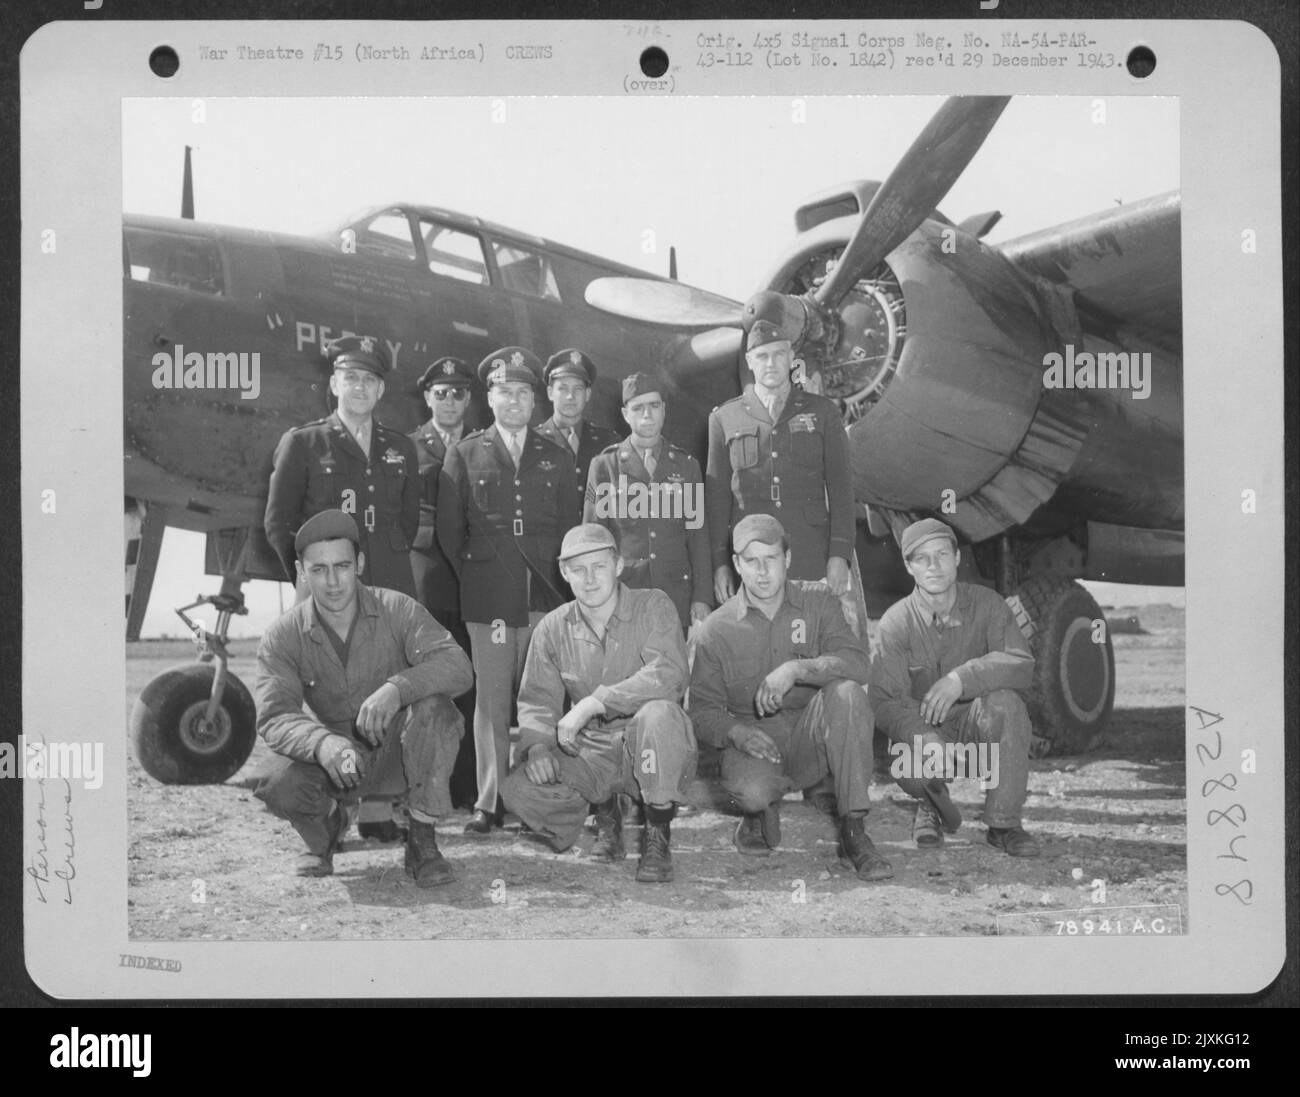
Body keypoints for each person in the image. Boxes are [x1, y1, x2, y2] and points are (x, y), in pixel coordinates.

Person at [251, 510, 473, 885]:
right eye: (319, 569)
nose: (332, 582)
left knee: (438, 710)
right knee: (274, 780)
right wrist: (321, 743)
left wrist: (398, 688)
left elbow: (458, 666)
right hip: (337, 761)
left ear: (360, 564)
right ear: (301, 572)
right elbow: (275, 716)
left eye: (342, 566)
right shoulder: (283, 636)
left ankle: (422, 841)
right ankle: (324, 831)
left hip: (400, 754)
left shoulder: (398, 609)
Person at [689, 514, 892, 880]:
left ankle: (854, 832)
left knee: (847, 694)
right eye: (751, 561)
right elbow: (702, 711)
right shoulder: (716, 629)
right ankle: (759, 812)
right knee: (751, 791)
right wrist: (736, 733)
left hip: (811, 737)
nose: (762, 572)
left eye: (771, 558)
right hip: (755, 743)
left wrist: (797, 669)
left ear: (788, 559)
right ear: (736, 564)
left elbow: (858, 664)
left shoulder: (819, 601)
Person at [436, 347, 580, 835]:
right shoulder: (464, 454)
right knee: (492, 701)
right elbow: (450, 534)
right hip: (490, 598)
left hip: (544, 597)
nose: (514, 401)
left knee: (542, 700)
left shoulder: (556, 456)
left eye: (523, 392)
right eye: (505, 392)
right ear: (490, 399)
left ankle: (537, 798)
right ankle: (490, 800)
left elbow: (568, 529)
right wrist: (480, 576)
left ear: (534, 401)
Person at [501, 524, 696, 882]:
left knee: (660, 714)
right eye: (578, 569)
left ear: (618, 565)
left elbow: (670, 674)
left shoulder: (653, 605)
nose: (589, 579)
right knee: (519, 790)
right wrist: (537, 748)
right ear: (563, 573)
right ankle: (607, 816)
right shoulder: (552, 628)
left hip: (647, 745)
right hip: (591, 752)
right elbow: (537, 700)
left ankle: (657, 833)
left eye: (599, 566)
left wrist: (595, 702)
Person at [870, 518, 1041, 857]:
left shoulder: (988, 604)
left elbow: (1021, 663)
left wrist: (961, 679)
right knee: (911, 771)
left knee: (1007, 705)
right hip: (923, 734)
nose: (933, 566)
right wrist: (925, 738)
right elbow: (884, 702)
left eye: (942, 555)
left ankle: (1004, 824)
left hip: (976, 731)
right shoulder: (896, 622)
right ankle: (931, 805)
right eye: (922, 559)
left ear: (958, 558)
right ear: (909, 566)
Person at [704, 319, 855, 604]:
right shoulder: (724, 419)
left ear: (791, 357)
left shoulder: (823, 412)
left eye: (778, 354)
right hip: (752, 558)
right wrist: (720, 563)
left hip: (810, 554)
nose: (770, 363)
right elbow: (716, 502)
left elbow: (841, 489)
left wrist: (840, 554)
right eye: (762, 356)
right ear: (749, 362)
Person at [265, 334, 420, 599]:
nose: (361, 387)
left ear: (380, 390)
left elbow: (408, 525)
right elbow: (278, 524)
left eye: (369, 379)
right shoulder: (303, 443)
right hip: (328, 594)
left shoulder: (402, 448)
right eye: (351, 377)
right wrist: (310, 580)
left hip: (390, 591)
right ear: (335, 384)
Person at [583, 371, 712, 633]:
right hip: (624, 596)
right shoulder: (605, 466)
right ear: (625, 414)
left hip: (675, 596)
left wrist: (702, 597)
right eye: (638, 408)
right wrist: (595, 600)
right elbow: (593, 540)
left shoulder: (686, 467)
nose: (647, 415)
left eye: (654, 406)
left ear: (664, 410)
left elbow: (698, 536)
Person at [407, 355, 478, 808]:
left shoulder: (482, 445)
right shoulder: (407, 448)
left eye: (457, 393)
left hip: (471, 584)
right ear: (427, 398)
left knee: (469, 686)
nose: (449, 401)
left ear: (467, 399)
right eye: (440, 393)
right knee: (425, 685)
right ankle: (417, 787)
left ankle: (465, 787)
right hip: (427, 584)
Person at [536, 348, 621, 513]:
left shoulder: (609, 443)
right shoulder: (531, 442)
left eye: (578, 389)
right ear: (550, 393)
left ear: (588, 394)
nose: (570, 396)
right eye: (563, 389)